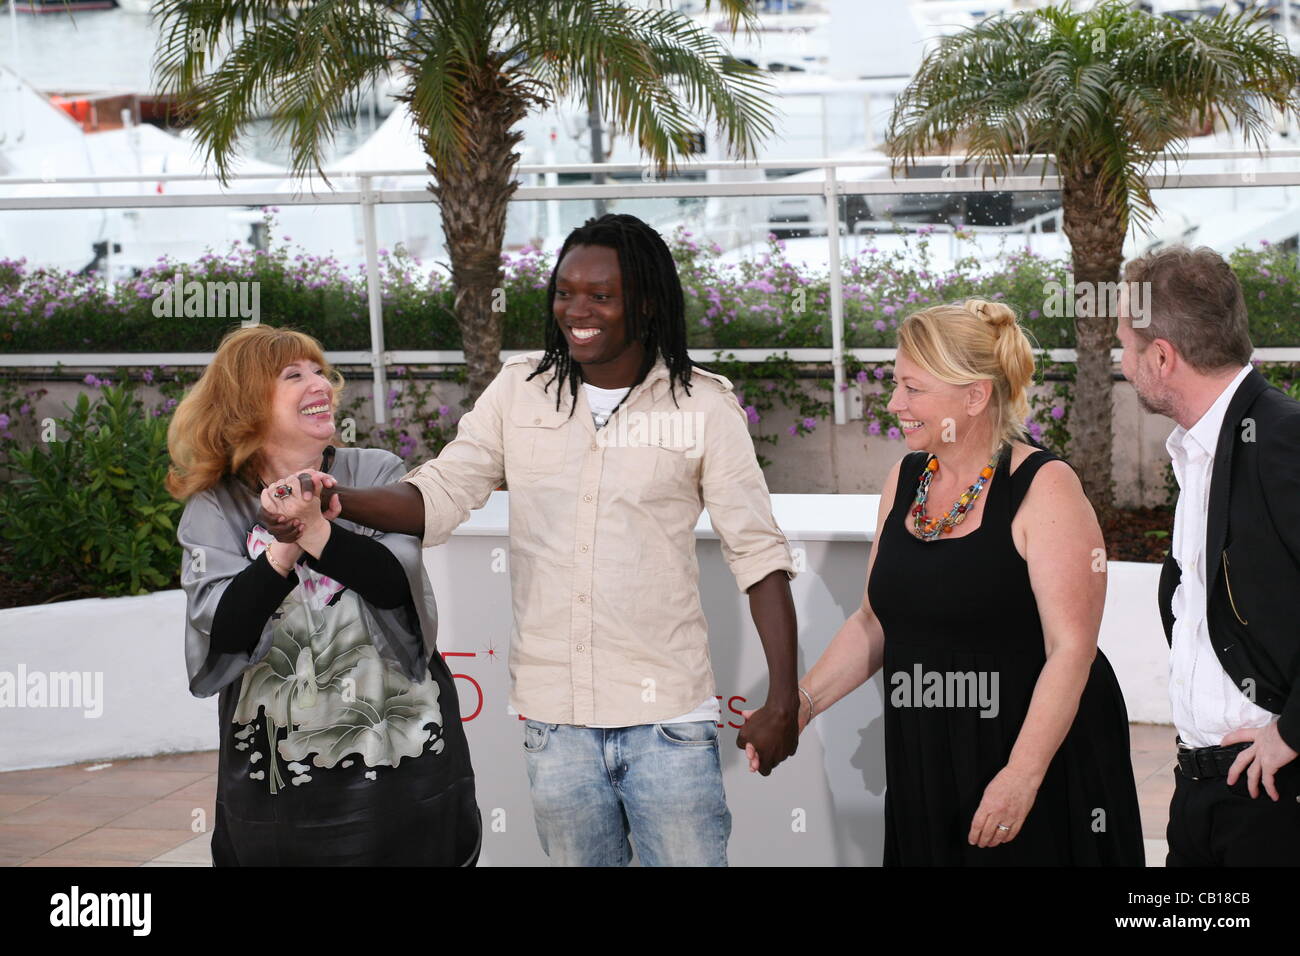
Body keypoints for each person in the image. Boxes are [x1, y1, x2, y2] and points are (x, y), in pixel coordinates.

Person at [265, 213, 800, 867]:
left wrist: (783, 700)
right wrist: (335, 501)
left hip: (668, 721)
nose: (576, 310)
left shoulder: (704, 408)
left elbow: (758, 554)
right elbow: (440, 493)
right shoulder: (519, 393)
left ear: (647, 303)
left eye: (600, 296)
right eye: (565, 291)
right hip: (556, 723)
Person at [772, 298, 1143, 865]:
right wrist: (801, 704)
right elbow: (874, 618)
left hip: (1027, 754)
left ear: (974, 396)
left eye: (913, 389)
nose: (895, 404)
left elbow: (1072, 650)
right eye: (896, 385)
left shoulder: (1045, 486)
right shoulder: (907, 477)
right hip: (925, 752)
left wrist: (1021, 775)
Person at [169, 325, 480, 866]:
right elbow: (223, 627)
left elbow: (394, 582)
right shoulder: (214, 509)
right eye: (294, 375)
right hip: (280, 775)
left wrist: (314, 528)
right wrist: (281, 547)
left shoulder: (375, 471)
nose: (320, 383)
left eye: (319, 371)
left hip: (400, 754)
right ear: (248, 405)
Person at [1117, 245, 1300, 867]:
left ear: (1162, 356)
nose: (1122, 362)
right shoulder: (1201, 448)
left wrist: (1292, 733)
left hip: (1273, 794)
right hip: (1202, 786)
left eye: (1126, 346)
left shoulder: (1281, 438)